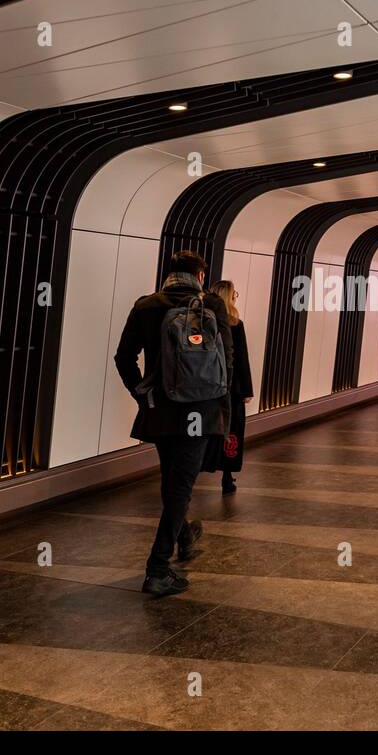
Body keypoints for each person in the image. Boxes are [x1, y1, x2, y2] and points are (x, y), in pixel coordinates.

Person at [114, 250, 235, 598]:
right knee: (180, 487)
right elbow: (226, 363)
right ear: (200, 274)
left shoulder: (146, 306)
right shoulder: (212, 305)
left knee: (173, 478)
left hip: (162, 409)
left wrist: (142, 394)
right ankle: (157, 568)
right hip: (201, 409)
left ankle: (185, 536)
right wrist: (222, 415)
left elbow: (124, 358)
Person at [203, 280, 254, 494]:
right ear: (229, 297)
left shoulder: (202, 320)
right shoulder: (235, 323)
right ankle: (227, 475)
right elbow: (241, 358)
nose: (236, 297)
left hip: (205, 385)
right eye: (235, 294)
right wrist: (247, 390)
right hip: (231, 387)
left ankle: (201, 464)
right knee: (232, 429)